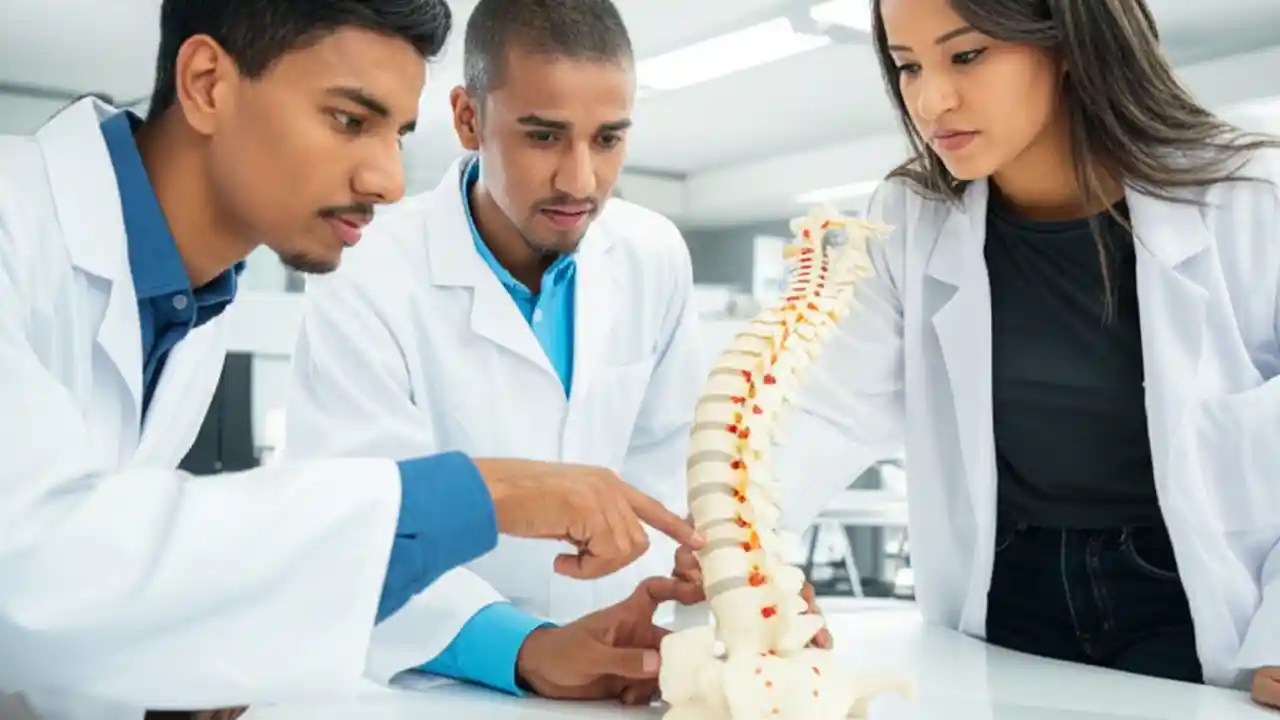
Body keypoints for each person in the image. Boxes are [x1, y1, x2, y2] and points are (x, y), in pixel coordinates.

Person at [0, 1, 703, 717]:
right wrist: (487, 495)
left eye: (396, 133)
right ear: (209, 82)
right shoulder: (20, 230)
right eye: (348, 120)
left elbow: (110, 577)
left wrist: (174, 668)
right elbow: (30, 574)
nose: (390, 183)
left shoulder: (194, 300)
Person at [727, 0, 1280, 709]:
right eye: (907, 66)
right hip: (1008, 589)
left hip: (1200, 595)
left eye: (966, 56)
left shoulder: (1252, 199)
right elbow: (831, 408)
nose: (931, 99)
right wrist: (743, 547)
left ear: (1072, 42)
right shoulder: (911, 213)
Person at [284, 0, 707, 704]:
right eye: (544, 137)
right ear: (468, 119)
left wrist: (705, 575)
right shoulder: (368, 270)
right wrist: (524, 648)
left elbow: (665, 467)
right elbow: (361, 522)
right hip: (439, 680)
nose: (581, 181)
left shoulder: (652, 254)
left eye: (607, 141)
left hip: (621, 673)